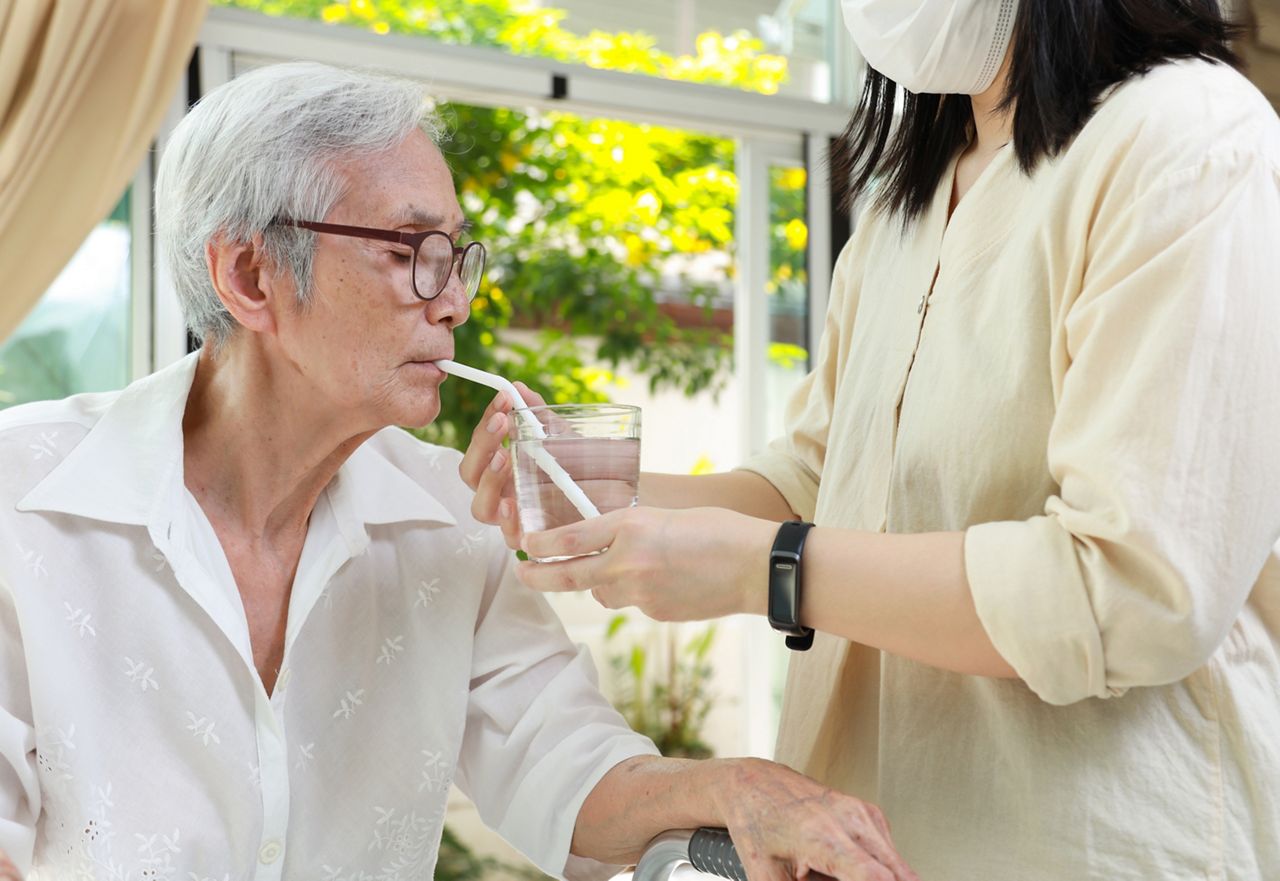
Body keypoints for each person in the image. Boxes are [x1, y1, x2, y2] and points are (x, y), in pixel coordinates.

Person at [0, 63, 920, 881]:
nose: (456, 301)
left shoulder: (453, 517)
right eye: (411, 254)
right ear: (249, 275)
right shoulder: (20, 499)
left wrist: (745, 787)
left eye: (458, 254)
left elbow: (574, 773)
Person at [461, 1, 1280, 879]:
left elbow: (1135, 585)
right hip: (862, 843)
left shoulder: (1186, 138)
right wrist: (592, 487)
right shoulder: (907, 201)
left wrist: (767, 569)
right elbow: (820, 476)